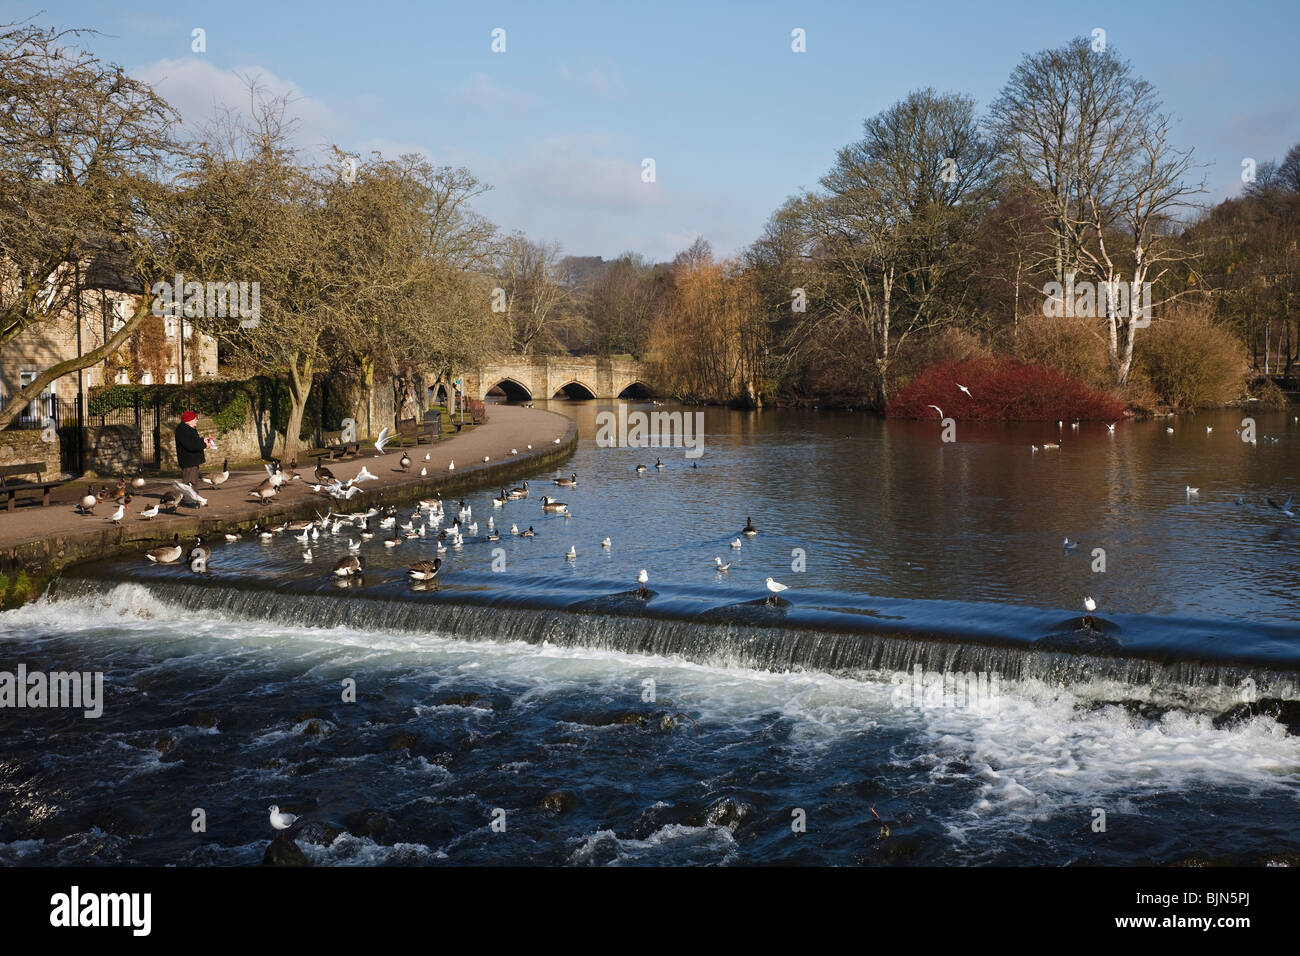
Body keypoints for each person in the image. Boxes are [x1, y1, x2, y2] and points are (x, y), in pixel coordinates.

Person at [175, 411, 207, 487]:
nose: (197, 420)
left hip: (192, 461)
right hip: (188, 462)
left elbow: (194, 441)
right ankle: (189, 498)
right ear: (189, 420)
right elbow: (191, 446)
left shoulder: (189, 428)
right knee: (190, 484)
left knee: (192, 483)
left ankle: (192, 498)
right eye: (195, 419)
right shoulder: (183, 430)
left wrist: (203, 441)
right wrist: (205, 444)